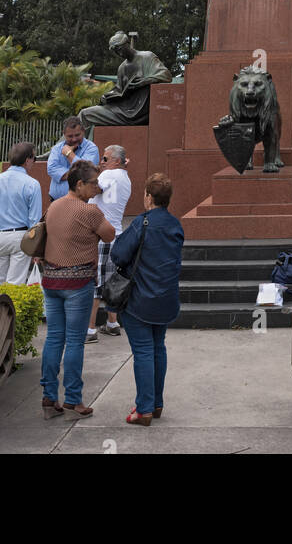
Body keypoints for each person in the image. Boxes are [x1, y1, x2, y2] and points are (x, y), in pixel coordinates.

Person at [39, 160, 114, 419]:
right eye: (93, 183)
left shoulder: (53, 206)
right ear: (79, 184)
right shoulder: (89, 211)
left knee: (53, 338)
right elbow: (110, 234)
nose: (97, 188)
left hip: (50, 281)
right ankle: (73, 399)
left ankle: (49, 397)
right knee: (74, 341)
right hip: (78, 284)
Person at [110, 172, 184, 427]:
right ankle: (156, 402)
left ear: (149, 197)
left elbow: (118, 255)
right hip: (165, 298)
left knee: (142, 351)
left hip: (140, 298)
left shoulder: (141, 223)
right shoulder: (176, 225)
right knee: (157, 348)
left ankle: (144, 409)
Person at [79, 33, 171, 132]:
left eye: (119, 49)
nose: (119, 53)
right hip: (122, 110)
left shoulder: (147, 57)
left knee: (85, 115)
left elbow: (166, 75)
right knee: (85, 114)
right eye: (115, 51)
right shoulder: (122, 68)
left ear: (127, 43)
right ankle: (68, 146)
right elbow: (119, 91)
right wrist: (107, 96)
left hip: (139, 112)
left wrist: (144, 81)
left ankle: (67, 146)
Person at [87, 145, 132, 341]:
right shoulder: (124, 177)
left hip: (101, 235)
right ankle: (112, 322)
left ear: (115, 160)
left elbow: (92, 188)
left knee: (96, 282)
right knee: (110, 279)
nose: (101, 162)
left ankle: (89, 329)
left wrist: (95, 171)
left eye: (105, 158)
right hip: (115, 233)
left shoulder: (108, 176)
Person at [0, 142, 43, 285]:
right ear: (28, 159)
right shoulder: (32, 184)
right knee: (15, 283)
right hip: (21, 236)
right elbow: (34, 221)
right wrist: (35, 247)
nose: (34, 162)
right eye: (34, 159)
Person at [46, 117, 99, 199]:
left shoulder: (91, 148)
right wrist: (76, 175)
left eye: (77, 135)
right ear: (64, 134)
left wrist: (69, 154)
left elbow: (86, 171)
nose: (74, 139)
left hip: (81, 202)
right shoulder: (57, 149)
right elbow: (51, 169)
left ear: (83, 132)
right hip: (56, 201)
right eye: (70, 136)